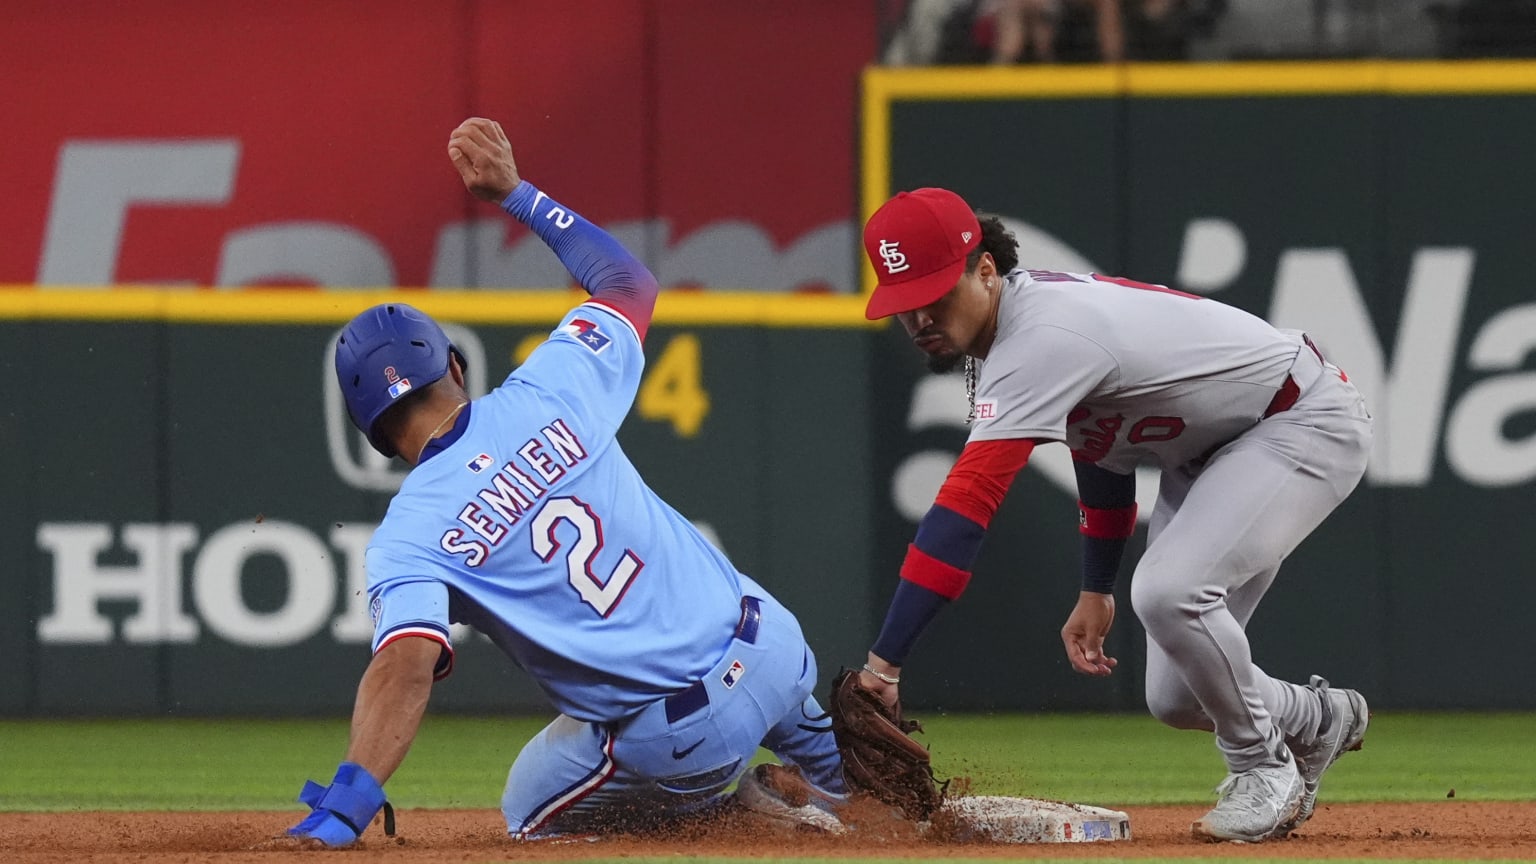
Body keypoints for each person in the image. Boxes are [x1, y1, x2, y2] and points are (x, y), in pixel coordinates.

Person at [280, 117, 845, 847]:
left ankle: (739, 818)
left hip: (688, 736)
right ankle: (881, 799)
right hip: (775, 649)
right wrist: (516, 193)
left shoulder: (409, 538)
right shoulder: (552, 385)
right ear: (454, 366)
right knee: (874, 807)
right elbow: (628, 282)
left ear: (373, 434)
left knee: (527, 812)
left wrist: (344, 808)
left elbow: (404, 666)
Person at [853, 187, 1372, 843]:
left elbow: (964, 509)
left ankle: (1264, 769)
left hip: (1299, 419)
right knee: (1178, 696)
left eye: (936, 291)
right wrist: (1096, 586)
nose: (921, 314)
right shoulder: (1017, 330)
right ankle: (1316, 719)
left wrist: (885, 664)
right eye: (905, 301)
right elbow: (1102, 446)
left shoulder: (1041, 335)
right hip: (1213, 453)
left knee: (1169, 591)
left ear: (985, 269)